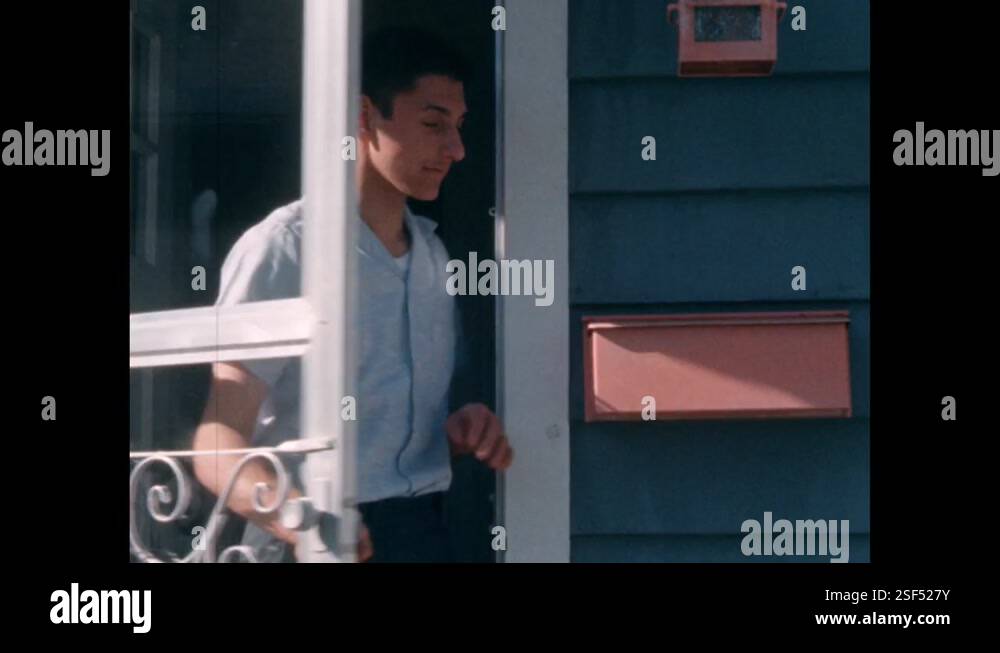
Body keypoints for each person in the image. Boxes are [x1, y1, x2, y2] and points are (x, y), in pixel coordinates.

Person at [191, 27, 513, 563]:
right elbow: (216, 445)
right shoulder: (286, 248)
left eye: (458, 128)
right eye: (434, 124)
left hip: (423, 532)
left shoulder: (433, 256)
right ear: (365, 118)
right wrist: (300, 518)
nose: (456, 150)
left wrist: (454, 428)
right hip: (312, 534)